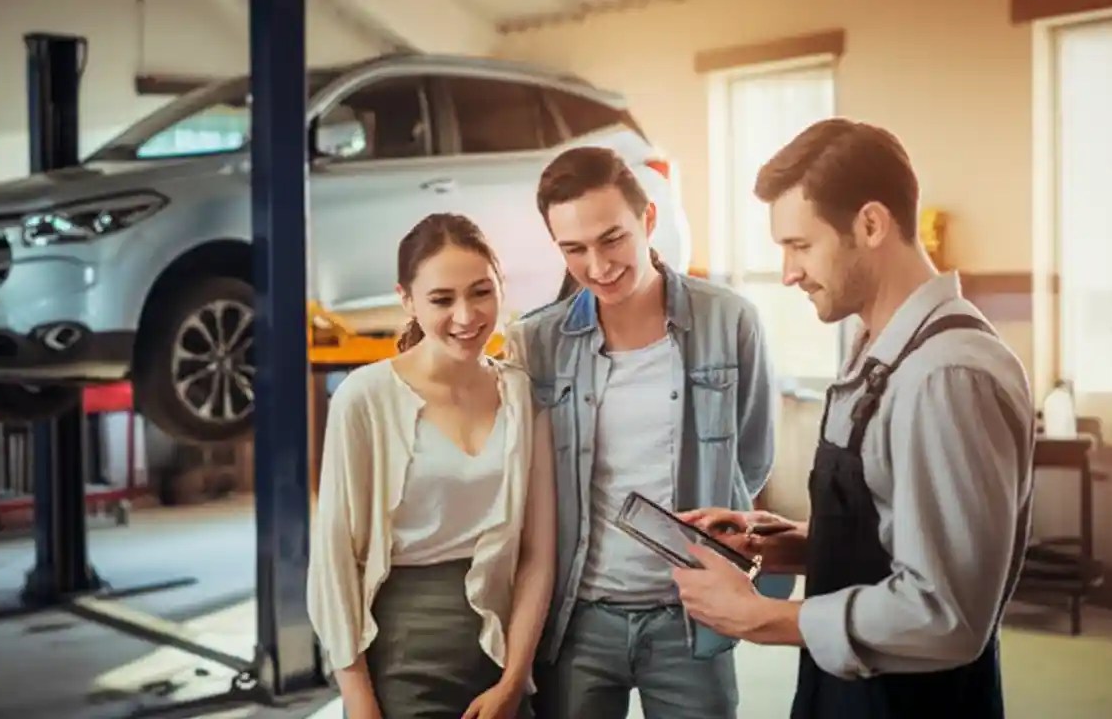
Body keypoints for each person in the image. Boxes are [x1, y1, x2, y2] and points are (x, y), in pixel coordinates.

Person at [671, 118, 1036, 719]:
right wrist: (790, 544)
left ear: (870, 224)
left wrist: (764, 618)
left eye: (799, 245)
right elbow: (900, 535)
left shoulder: (945, 375)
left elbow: (947, 615)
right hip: (848, 691)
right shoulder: (877, 345)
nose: (788, 272)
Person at [503, 146, 777, 719]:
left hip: (693, 615)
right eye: (573, 249)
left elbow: (749, 461)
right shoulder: (537, 343)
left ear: (648, 221)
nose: (598, 266)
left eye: (612, 239)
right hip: (578, 617)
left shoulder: (730, 321)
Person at [307, 213, 557, 719]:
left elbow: (537, 556)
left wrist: (513, 683)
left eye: (481, 292)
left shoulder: (521, 397)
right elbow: (334, 559)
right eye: (442, 299)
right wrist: (358, 700)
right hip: (401, 651)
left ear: (500, 286)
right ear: (408, 300)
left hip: (501, 646)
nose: (466, 316)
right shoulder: (366, 397)